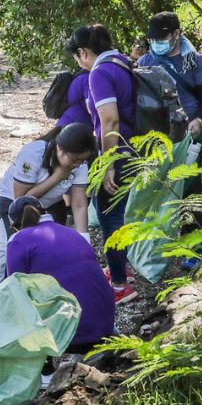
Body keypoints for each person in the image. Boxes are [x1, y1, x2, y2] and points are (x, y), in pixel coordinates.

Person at [5, 195, 116, 382]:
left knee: (19, 303)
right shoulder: (70, 232)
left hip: (72, 338)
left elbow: (14, 291)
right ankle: (100, 342)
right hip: (105, 325)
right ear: (44, 212)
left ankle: (45, 370)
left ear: (16, 225)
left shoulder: (18, 240)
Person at [66, 25, 139, 304]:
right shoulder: (123, 61)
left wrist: (108, 163)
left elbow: (110, 120)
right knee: (118, 211)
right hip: (138, 146)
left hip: (120, 151)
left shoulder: (99, 72)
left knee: (109, 214)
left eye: (76, 57)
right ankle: (123, 269)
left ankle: (120, 285)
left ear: (83, 52)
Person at [139, 12, 202, 270]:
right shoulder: (146, 60)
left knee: (189, 192)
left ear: (176, 34)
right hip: (158, 136)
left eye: (162, 38)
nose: (157, 43)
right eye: (153, 39)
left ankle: (195, 249)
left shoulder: (193, 62)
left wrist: (200, 121)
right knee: (156, 191)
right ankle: (156, 248)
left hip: (188, 135)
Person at [0, 123, 96, 286]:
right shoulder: (34, 153)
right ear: (60, 148)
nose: (77, 164)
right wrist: (57, 177)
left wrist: (84, 242)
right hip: (12, 202)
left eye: (82, 160)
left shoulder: (80, 163)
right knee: (9, 246)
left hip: (50, 203)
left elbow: (79, 204)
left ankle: (41, 285)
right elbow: (21, 199)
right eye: (74, 159)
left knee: (50, 247)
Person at [57, 39, 92, 128]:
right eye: (77, 59)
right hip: (71, 131)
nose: (79, 64)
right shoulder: (87, 78)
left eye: (76, 59)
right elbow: (92, 109)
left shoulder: (83, 76)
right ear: (82, 53)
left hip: (68, 127)